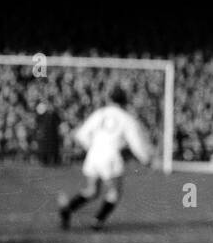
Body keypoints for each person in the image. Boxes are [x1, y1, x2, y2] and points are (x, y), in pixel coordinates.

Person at [58, 85, 153, 231]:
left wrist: (92, 147)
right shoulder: (127, 118)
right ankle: (98, 221)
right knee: (114, 192)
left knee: (92, 190)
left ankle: (68, 209)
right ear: (125, 101)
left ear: (109, 99)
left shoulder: (100, 113)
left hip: (94, 154)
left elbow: (81, 134)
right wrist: (145, 158)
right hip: (111, 157)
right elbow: (136, 143)